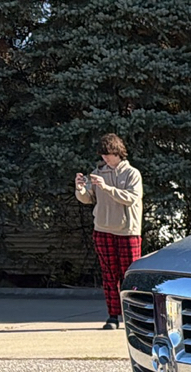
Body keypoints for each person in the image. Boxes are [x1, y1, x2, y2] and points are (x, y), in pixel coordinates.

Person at [74, 133, 142, 329]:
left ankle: (134, 317)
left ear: (117, 152)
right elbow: (88, 199)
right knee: (108, 275)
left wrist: (107, 187)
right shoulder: (98, 172)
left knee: (129, 276)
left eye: (108, 155)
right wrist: (80, 189)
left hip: (127, 231)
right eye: (103, 155)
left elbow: (131, 198)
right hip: (102, 229)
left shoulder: (132, 174)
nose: (105, 159)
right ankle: (112, 316)